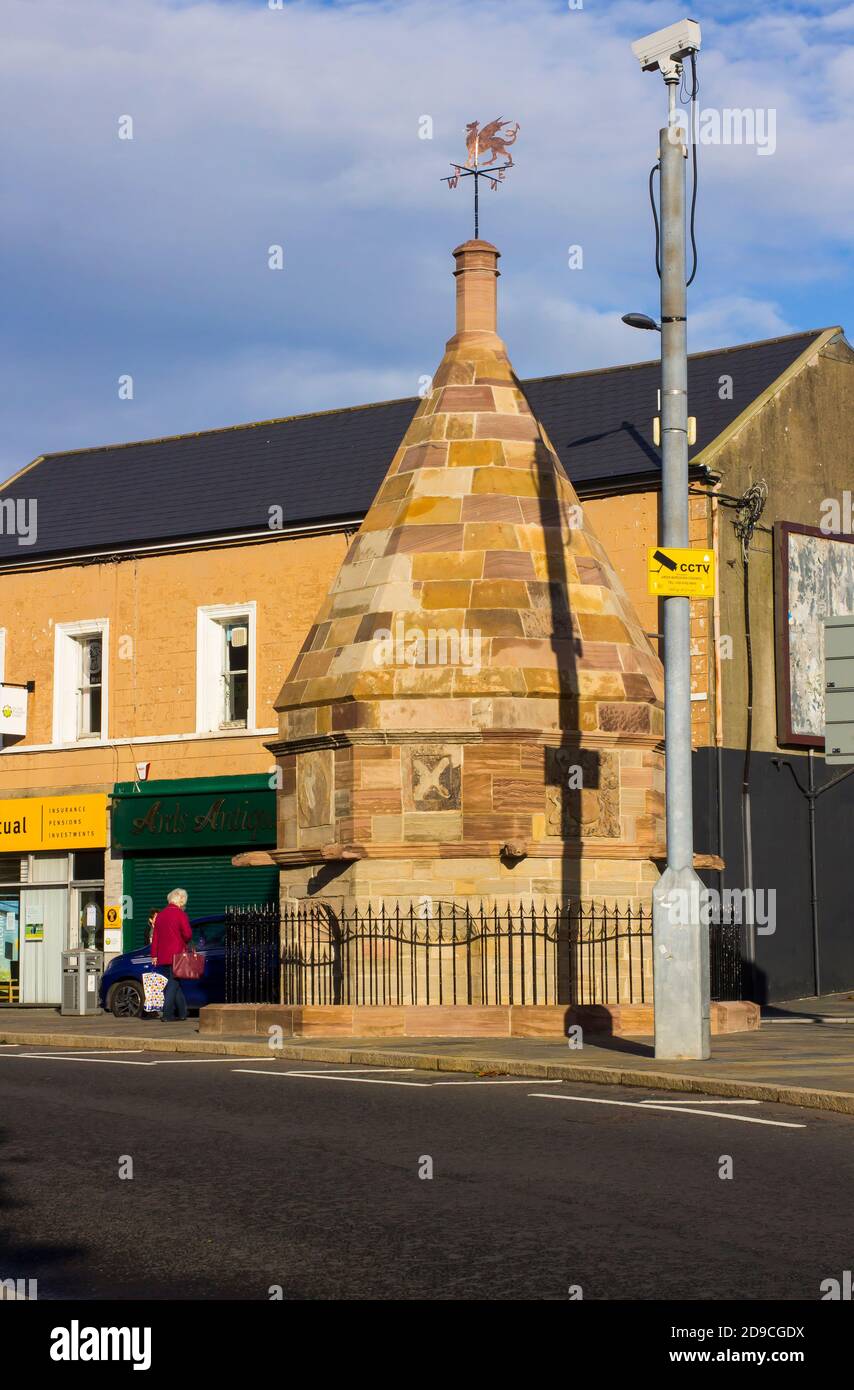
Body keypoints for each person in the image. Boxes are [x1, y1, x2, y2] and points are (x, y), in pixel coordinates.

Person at [150, 888, 192, 1022]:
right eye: (183, 901)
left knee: (176, 982)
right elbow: (188, 934)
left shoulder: (160, 915)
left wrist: (154, 955)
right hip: (177, 955)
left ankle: (182, 1012)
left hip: (163, 955)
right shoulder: (180, 914)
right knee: (173, 983)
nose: (184, 904)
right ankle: (167, 1014)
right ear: (180, 900)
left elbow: (155, 937)